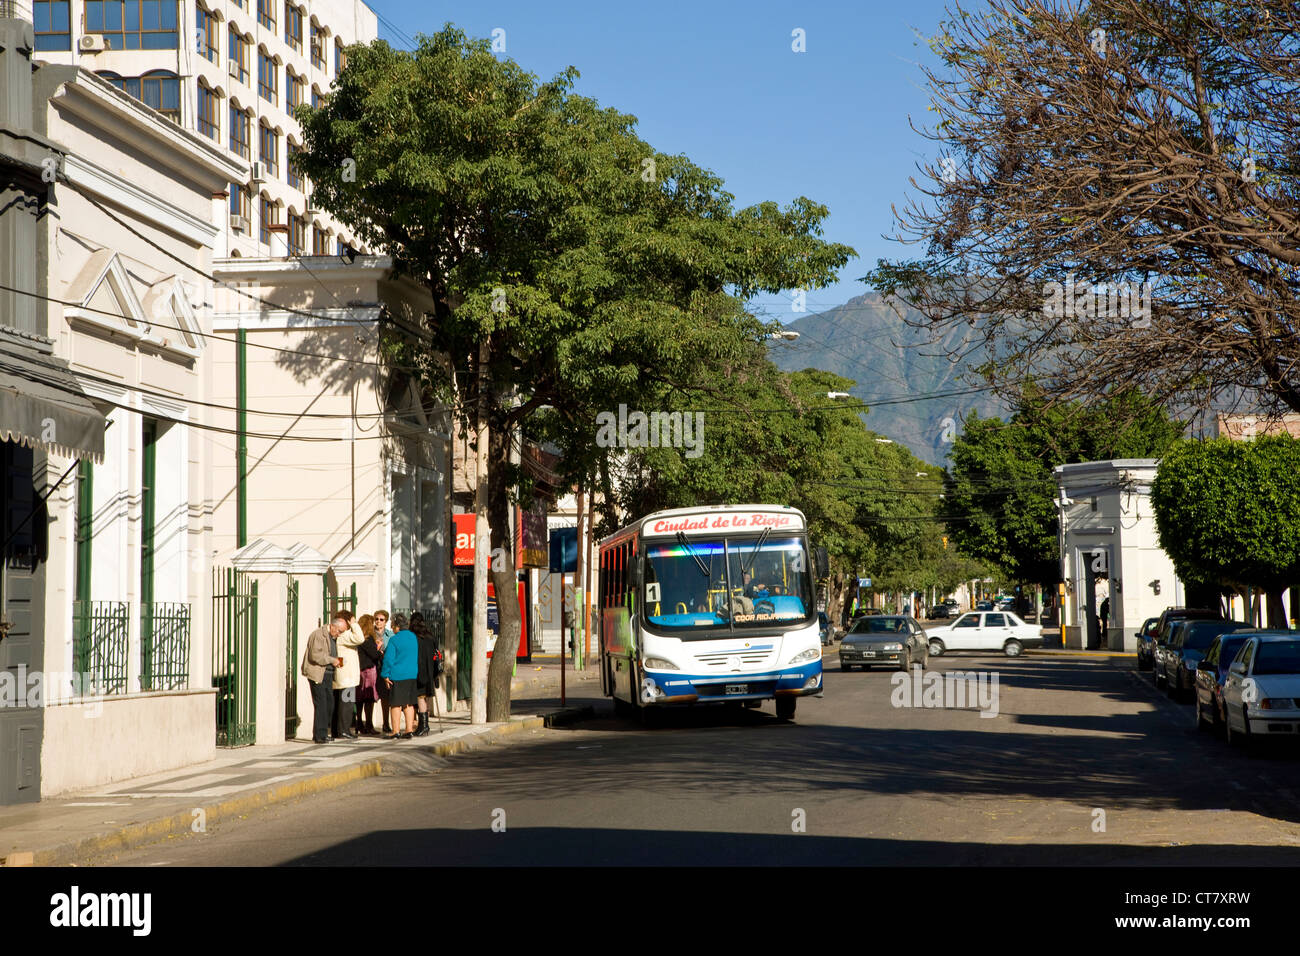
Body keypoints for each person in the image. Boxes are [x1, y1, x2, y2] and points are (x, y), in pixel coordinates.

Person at [301, 615, 347, 744]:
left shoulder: (332, 636)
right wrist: (333, 660)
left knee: (329, 704)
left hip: (328, 674)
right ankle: (319, 735)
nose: (339, 634)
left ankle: (323, 732)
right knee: (321, 704)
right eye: (339, 631)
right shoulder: (318, 635)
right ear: (332, 626)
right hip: (318, 674)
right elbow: (315, 655)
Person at [381, 614, 418, 739]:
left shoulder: (394, 640)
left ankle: (395, 731)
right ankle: (409, 730)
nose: (392, 629)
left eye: (393, 626)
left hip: (398, 675)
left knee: (396, 704)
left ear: (397, 626)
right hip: (412, 674)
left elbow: (388, 659)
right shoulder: (413, 637)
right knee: (408, 703)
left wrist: (385, 675)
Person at [331, 609, 365, 739]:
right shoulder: (344, 635)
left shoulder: (340, 635)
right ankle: (344, 730)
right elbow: (360, 638)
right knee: (347, 704)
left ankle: (337, 730)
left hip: (343, 675)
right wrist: (354, 624)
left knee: (339, 705)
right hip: (347, 678)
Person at [410, 612, 441, 738]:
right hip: (430, 671)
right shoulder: (431, 636)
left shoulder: (414, 637)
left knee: (420, 697)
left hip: (419, 670)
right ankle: (423, 725)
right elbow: (436, 653)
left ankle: (423, 726)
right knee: (424, 697)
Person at [355, 614, 381, 735]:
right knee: (369, 699)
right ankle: (369, 724)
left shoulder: (357, 638)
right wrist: (379, 649)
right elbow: (374, 655)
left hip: (358, 670)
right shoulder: (368, 639)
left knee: (359, 699)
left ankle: (359, 723)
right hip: (368, 671)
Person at [373, 609, 393, 733]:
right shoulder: (370, 634)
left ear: (386, 622)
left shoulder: (390, 635)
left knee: (385, 697)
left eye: (381, 620)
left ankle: (386, 723)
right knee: (369, 696)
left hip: (384, 667)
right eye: (377, 619)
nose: (379, 622)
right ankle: (367, 723)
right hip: (372, 666)